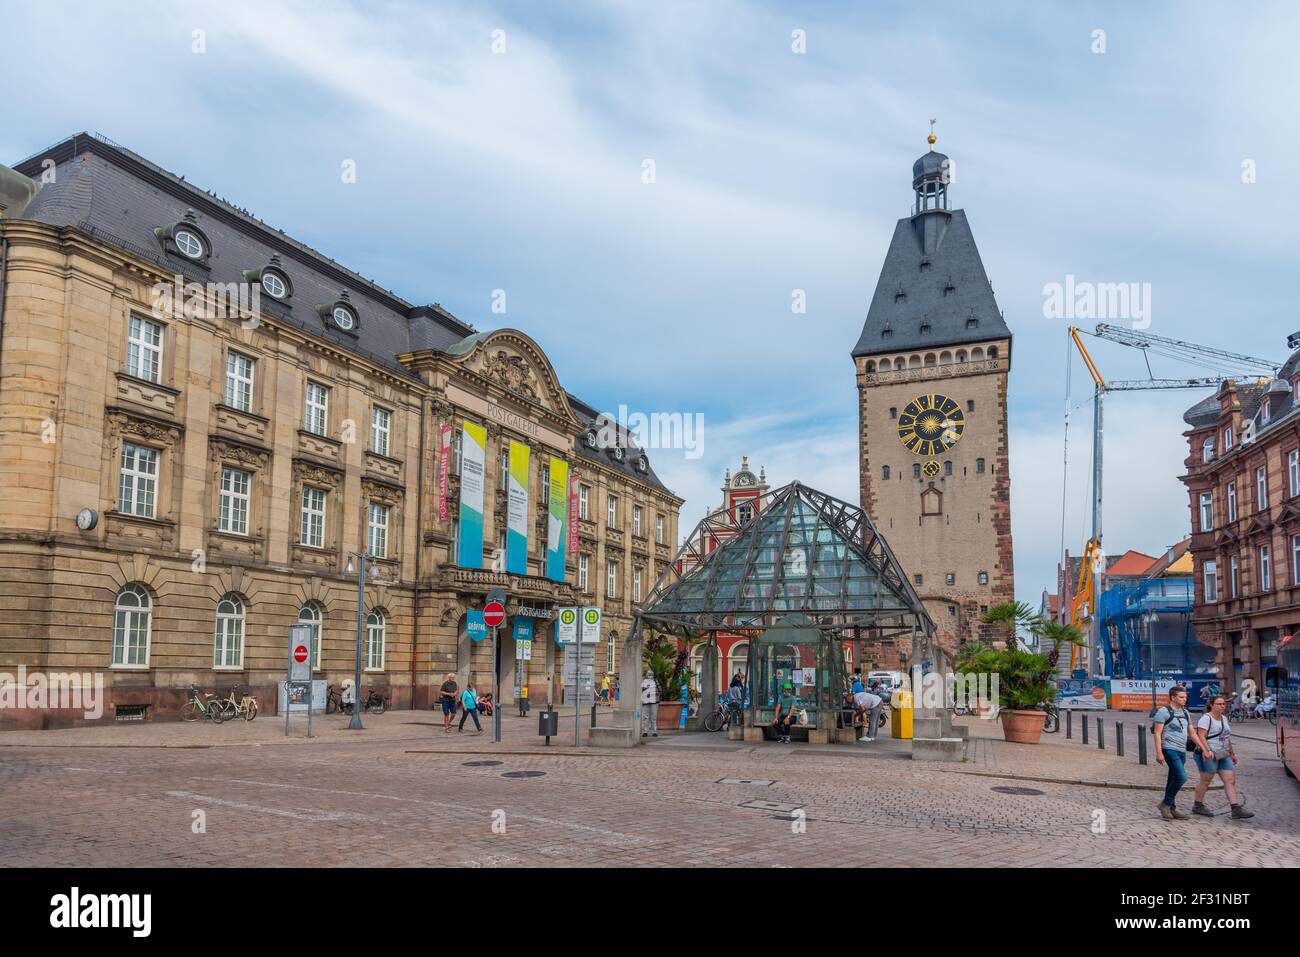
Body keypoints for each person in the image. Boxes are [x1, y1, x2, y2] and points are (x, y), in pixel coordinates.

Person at [1191, 694, 1254, 819]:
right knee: (1206, 780)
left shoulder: (1224, 719)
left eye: (1223, 704)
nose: (1222, 706)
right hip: (1210, 754)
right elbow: (1201, 735)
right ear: (1211, 705)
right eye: (1219, 704)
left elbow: (1226, 737)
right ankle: (1197, 805)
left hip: (1223, 754)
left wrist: (1232, 753)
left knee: (1230, 780)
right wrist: (1206, 750)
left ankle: (1235, 808)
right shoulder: (1206, 718)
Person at [1153, 685, 1197, 820]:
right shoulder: (1163, 712)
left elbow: (1192, 733)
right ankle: (1165, 804)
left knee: (1172, 778)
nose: (1185, 699)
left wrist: (1204, 747)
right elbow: (1157, 733)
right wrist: (1159, 753)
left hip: (1181, 750)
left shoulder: (1185, 712)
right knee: (1182, 777)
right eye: (1182, 697)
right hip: (1169, 748)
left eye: (1185, 697)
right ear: (1173, 697)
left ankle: (1171, 808)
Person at [640, 671, 659, 737]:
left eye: (651, 674)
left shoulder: (656, 682)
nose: (650, 675)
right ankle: (645, 731)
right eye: (649, 674)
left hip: (654, 701)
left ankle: (654, 731)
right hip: (645, 701)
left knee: (653, 717)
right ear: (646, 675)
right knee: (645, 717)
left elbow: (660, 690)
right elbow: (640, 690)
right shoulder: (643, 682)